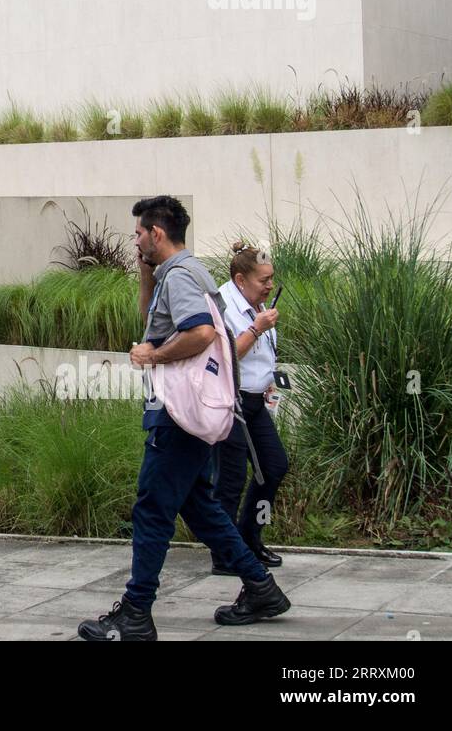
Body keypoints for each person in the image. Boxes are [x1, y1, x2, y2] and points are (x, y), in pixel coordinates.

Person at [78, 195, 290, 641]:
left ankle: (136, 613)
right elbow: (153, 322)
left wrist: (153, 356)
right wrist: (144, 273)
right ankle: (260, 587)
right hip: (190, 414)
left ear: (157, 233)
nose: (135, 238)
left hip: (178, 414)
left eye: (139, 233)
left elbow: (200, 332)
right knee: (200, 507)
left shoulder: (181, 277)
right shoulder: (179, 273)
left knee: (152, 508)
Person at [209, 240, 288, 574]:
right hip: (230, 400)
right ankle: (225, 554)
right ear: (241, 280)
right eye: (263, 280)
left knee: (274, 466)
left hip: (255, 401)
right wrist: (257, 328)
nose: (269, 286)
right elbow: (227, 355)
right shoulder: (222, 306)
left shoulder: (259, 304)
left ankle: (249, 538)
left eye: (272, 279)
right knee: (230, 478)